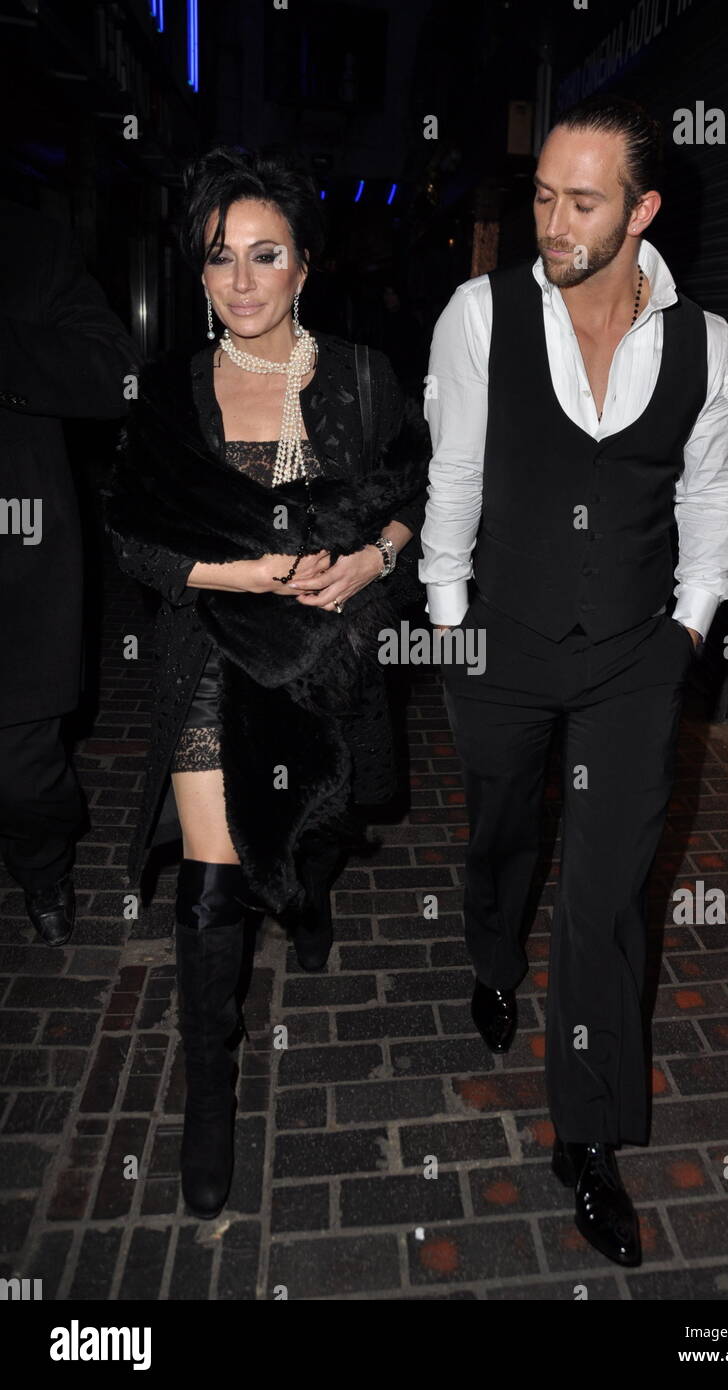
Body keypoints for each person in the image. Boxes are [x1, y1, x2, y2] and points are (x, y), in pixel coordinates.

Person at [420, 97, 728, 1267]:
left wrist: (685, 627)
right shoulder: (480, 314)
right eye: (542, 195)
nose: (552, 221)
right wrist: (450, 625)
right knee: (503, 835)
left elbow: (712, 491)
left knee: (605, 897)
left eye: (581, 200)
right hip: (498, 643)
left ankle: (589, 1133)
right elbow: (451, 475)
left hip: (628, 659)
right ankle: (490, 954)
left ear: (641, 209)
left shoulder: (703, 344)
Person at [105, 148, 430, 1220]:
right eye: (218, 260)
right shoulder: (167, 388)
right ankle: (209, 1095)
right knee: (214, 872)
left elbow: (410, 491)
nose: (240, 281)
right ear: (198, 276)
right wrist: (230, 572)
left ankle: (312, 882)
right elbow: (134, 537)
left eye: (264, 256)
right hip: (210, 647)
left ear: (302, 267)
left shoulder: (362, 374)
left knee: (311, 828)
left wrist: (370, 561)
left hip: (324, 655)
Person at [0, 200, 138, 946]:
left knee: (21, 774)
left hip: (12, 573)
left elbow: (114, 376)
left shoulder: (30, 238)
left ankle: (44, 864)